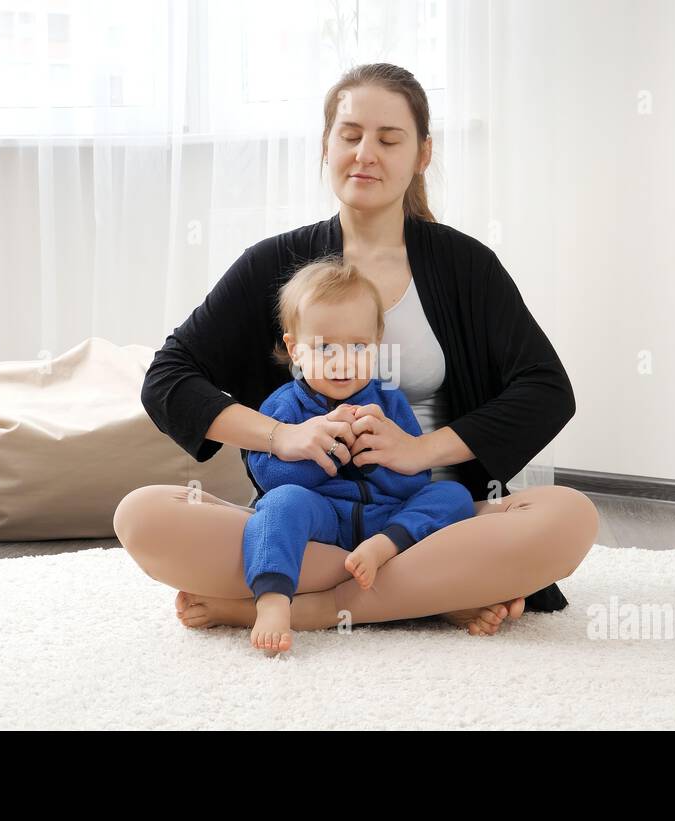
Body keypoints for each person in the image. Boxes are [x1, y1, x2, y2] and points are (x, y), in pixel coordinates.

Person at [115, 62, 599, 639]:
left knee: (570, 517)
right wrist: (283, 437)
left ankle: (301, 604)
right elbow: (168, 377)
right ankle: (435, 594)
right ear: (327, 146)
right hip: (313, 517)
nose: (365, 154)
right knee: (142, 515)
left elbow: (547, 390)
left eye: (389, 139)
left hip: (430, 522)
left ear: (422, 154)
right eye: (349, 136)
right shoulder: (273, 266)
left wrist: (419, 452)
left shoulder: (466, 267)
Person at [244, 256, 476, 653]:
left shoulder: (389, 403)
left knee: (452, 496)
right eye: (324, 347)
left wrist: (382, 454)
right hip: (324, 518)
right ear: (295, 351)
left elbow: (414, 476)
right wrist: (328, 454)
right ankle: (272, 600)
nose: (342, 360)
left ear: (377, 347)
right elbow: (266, 475)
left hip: (384, 518)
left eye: (358, 346)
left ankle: (384, 548)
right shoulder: (284, 408)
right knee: (280, 504)